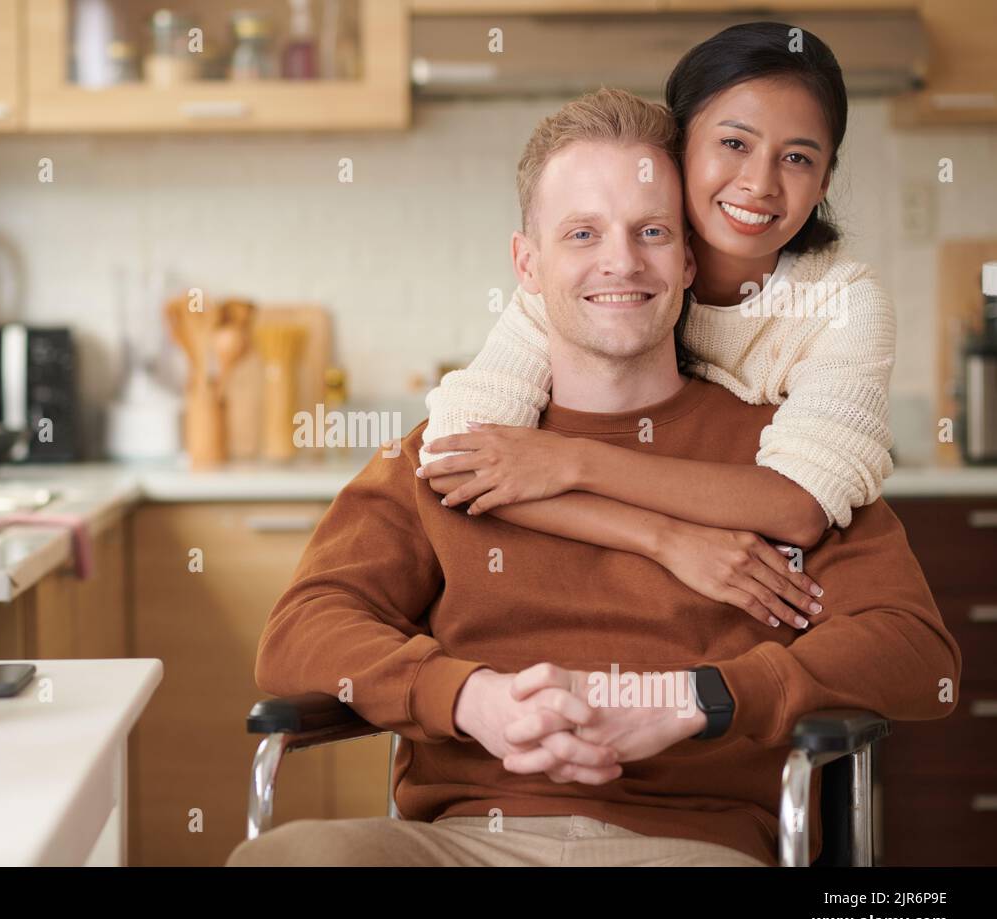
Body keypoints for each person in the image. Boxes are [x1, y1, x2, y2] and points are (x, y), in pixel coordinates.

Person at [226, 88, 958, 868]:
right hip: (456, 843)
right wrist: (470, 699)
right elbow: (302, 632)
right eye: (582, 233)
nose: (620, 262)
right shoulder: (451, 452)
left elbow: (917, 653)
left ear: (686, 259)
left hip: (689, 848)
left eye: (650, 232)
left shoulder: (784, 455)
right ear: (528, 263)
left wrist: (703, 698)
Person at [419, 22, 893, 634]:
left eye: (797, 157)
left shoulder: (843, 301)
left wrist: (571, 462)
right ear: (681, 147)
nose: (760, 183)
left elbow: (800, 507)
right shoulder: (617, 277)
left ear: (825, 179)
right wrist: (663, 539)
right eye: (734, 143)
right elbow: (457, 451)